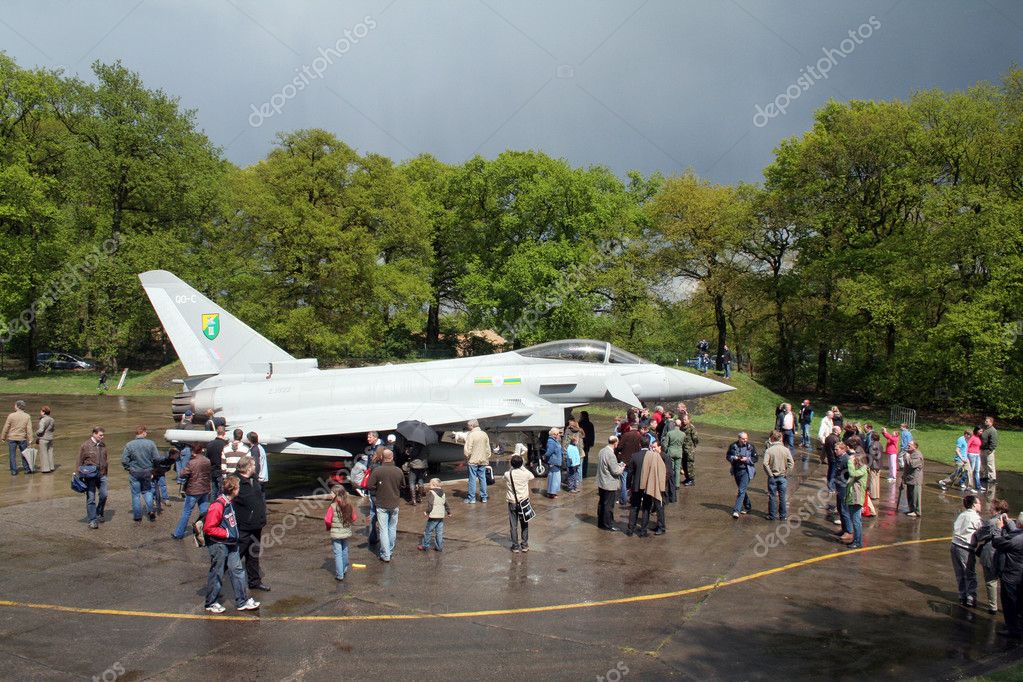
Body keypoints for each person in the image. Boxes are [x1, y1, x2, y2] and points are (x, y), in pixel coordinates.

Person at [202, 476, 260, 613]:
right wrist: (227, 533)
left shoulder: (229, 502)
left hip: (231, 543)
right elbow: (209, 528)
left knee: (238, 570)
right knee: (217, 573)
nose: (239, 489)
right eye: (238, 487)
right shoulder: (218, 506)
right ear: (233, 490)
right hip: (219, 545)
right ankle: (211, 602)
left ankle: (242, 601)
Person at [232, 456, 269, 592]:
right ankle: (218, 580)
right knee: (236, 556)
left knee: (253, 555)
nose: (255, 467)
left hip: (256, 526)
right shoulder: (235, 481)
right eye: (253, 465)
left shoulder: (254, 480)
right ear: (248, 467)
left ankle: (255, 581)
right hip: (244, 527)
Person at [366, 448, 403, 562]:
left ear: (382, 457)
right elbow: (402, 484)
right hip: (395, 503)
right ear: (392, 457)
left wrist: (379, 489)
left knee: (383, 530)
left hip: (382, 504)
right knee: (392, 528)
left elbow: (369, 485)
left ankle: (386, 554)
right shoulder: (398, 471)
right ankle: (390, 551)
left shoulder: (378, 471)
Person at [979, 499, 1014, 615]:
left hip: (991, 554)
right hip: (1006, 557)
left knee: (991, 581)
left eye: (992, 508)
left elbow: (980, 535)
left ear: (998, 510)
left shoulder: (992, 522)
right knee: (1005, 584)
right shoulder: (1011, 522)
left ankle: (993, 607)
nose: (989, 509)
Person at [992, 511, 1023, 638]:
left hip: (1011, 576)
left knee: (1010, 604)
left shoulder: (1016, 540)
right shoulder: (1018, 536)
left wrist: (998, 529)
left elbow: (997, 542)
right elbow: (1017, 532)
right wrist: (1009, 522)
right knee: (1019, 603)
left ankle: (1013, 629)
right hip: (1020, 575)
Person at [172, 443, 211, 540]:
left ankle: (178, 533)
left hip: (193, 490)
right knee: (204, 512)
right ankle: (207, 532)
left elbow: (182, 474)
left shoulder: (191, 462)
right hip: (205, 489)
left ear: (192, 451)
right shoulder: (207, 461)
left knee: (186, 512)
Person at [121, 425, 159, 523]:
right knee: (148, 491)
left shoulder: (129, 445)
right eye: (146, 432)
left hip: (134, 472)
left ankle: (138, 517)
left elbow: (124, 460)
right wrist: (154, 470)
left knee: (136, 495)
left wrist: (128, 468)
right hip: (147, 471)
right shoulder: (151, 443)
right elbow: (156, 458)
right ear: (143, 433)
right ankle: (150, 511)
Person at [950, 494, 983, 607]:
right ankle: (970, 597)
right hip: (965, 548)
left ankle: (962, 595)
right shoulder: (976, 518)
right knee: (969, 574)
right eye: (979, 503)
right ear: (974, 505)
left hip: (954, 545)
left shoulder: (962, 515)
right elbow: (981, 533)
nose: (980, 505)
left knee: (959, 573)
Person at [76, 427, 108, 529]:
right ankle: (92, 520)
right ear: (94, 434)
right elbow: (79, 461)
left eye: (103, 435)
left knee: (104, 495)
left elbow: (106, 459)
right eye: (100, 435)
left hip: (102, 475)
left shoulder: (103, 445)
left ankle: (99, 512)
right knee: (91, 498)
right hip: (90, 476)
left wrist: (106, 472)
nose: (102, 437)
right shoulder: (85, 445)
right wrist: (78, 476)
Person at [325, 485, 357, 580]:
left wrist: (328, 527)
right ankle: (344, 569)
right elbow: (354, 518)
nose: (330, 494)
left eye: (331, 493)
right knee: (345, 550)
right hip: (345, 532)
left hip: (336, 533)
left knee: (338, 553)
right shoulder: (349, 504)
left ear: (336, 494)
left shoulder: (332, 506)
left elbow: (327, 520)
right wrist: (347, 523)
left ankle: (340, 575)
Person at [505, 454, 534, 552]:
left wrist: (512, 468)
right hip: (523, 502)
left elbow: (505, 476)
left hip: (512, 502)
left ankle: (515, 546)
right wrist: (522, 467)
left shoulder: (508, 474)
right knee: (524, 523)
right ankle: (525, 545)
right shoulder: (525, 474)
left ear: (511, 464)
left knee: (513, 525)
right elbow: (532, 476)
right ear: (521, 464)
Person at [763, 431, 794, 521]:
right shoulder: (786, 450)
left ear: (773, 439)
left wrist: (770, 474)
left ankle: (772, 515)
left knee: (772, 496)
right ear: (781, 439)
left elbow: (765, 463)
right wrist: (786, 473)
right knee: (782, 496)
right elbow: (791, 463)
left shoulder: (769, 450)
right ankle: (783, 515)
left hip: (772, 476)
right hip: (782, 476)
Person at [727, 432, 758, 519]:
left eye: (746, 439)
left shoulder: (750, 447)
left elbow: (756, 458)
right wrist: (734, 458)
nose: (745, 440)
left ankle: (736, 511)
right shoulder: (733, 446)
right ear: (739, 438)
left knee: (741, 490)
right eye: (743, 439)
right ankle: (748, 506)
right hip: (737, 470)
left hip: (747, 471)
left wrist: (747, 459)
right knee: (742, 490)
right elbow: (728, 456)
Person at [596, 436, 624, 531]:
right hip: (609, 484)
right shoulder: (611, 454)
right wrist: (622, 468)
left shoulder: (602, 451)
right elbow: (616, 471)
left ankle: (601, 522)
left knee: (602, 503)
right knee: (609, 505)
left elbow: (605, 466)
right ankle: (608, 524)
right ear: (615, 443)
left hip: (602, 482)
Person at [463, 419, 491, 504]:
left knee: (472, 479)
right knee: (482, 478)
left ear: (472, 426)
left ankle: (472, 498)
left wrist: (467, 457)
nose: (468, 427)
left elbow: (467, 449)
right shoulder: (484, 434)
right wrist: (487, 457)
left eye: (468, 425)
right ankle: (484, 497)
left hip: (473, 460)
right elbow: (487, 448)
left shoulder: (471, 435)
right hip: (483, 460)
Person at [845, 449, 868, 549]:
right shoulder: (859, 469)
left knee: (856, 521)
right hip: (853, 497)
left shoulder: (863, 469)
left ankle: (858, 542)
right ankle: (855, 540)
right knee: (855, 520)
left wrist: (850, 461)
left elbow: (852, 473)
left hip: (857, 498)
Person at [418, 478, 450, 551]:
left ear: (434, 485)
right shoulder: (443, 493)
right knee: (439, 532)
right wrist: (449, 512)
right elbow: (446, 503)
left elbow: (430, 505)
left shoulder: (431, 493)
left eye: (430, 483)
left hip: (433, 516)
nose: (429, 485)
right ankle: (439, 547)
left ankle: (425, 546)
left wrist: (427, 512)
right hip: (441, 515)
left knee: (428, 531)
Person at [2, 400, 33, 475]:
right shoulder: (27, 416)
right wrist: (30, 438)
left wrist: (3, 436)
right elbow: (29, 428)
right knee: (24, 454)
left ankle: (13, 470)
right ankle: (26, 469)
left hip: (12, 438)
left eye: (15, 405)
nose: (14, 406)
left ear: (18, 406)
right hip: (22, 438)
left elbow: (6, 427)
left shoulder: (11, 415)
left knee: (12, 455)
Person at [616, 425, 644, 506]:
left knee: (623, 480)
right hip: (635, 460)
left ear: (631, 427)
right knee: (634, 479)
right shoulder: (640, 436)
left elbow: (619, 447)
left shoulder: (626, 435)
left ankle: (623, 499)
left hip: (625, 461)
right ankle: (633, 498)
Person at [833, 442, 853, 541]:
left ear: (843, 450)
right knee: (840, 508)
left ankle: (848, 531)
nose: (835, 451)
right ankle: (844, 528)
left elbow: (850, 475)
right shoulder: (839, 458)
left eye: (837, 449)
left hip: (844, 487)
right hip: (839, 486)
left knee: (844, 509)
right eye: (835, 449)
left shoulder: (846, 460)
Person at [205, 425, 230, 498]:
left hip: (212, 470)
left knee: (214, 491)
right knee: (222, 492)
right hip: (222, 471)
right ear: (224, 433)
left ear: (217, 433)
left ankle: (213, 507)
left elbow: (207, 457)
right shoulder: (226, 445)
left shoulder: (210, 444)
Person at [902, 441, 924, 517]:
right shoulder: (910, 453)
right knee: (910, 495)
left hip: (915, 479)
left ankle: (917, 511)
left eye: (909, 445)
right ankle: (911, 509)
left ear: (915, 446)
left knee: (915, 496)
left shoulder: (918, 455)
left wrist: (907, 457)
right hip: (909, 478)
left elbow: (912, 464)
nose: (908, 446)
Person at [662, 419, 685, 489]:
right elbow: (683, 444)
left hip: (671, 452)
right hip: (679, 452)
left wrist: (665, 451)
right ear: (680, 425)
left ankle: (670, 483)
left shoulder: (670, 433)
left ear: (674, 424)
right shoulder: (683, 434)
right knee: (677, 469)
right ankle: (677, 485)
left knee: (671, 468)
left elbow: (665, 444)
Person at [405, 441, 429, 505]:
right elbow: (428, 454)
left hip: (414, 466)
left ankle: (413, 500)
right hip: (423, 466)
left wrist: (408, 452)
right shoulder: (425, 447)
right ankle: (420, 498)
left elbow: (412, 455)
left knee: (412, 482)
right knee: (420, 481)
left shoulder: (415, 447)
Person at [544, 428, 564, 499]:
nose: (559, 435)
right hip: (553, 462)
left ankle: (552, 492)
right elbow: (549, 451)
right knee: (554, 478)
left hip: (556, 462)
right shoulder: (551, 441)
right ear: (554, 434)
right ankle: (551, 493)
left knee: (555, 478)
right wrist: (545, 456)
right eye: (558, 433)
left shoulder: (555, 440)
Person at [864, 424, 882, 500]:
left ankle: (873, 494)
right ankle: (877, 494)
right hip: (879, 464)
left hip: (874, 465)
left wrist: (868, 465)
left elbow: (871, 456)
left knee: (872, 480)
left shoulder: (872, 445)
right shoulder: (880, 444)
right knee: (877, 480)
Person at [35, 406, 55, 473]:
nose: (40, 412)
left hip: (43, 438)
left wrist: (36, 433)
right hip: (50, 438)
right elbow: (53, 429)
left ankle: (46, 469)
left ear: (43, 412)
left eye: (41, 411)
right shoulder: (52, 419)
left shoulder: (43, 420)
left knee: (44, 454)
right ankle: (51, 467)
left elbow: (41, 430)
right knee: (50, 453)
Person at [981, 417, 999, 485]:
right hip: (983, 449)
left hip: (988, 450)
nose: (985, 422)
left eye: (987, 421)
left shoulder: (993, 430)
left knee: (990, 464)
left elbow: (994, 441)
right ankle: (985, 476)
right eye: (985, 421)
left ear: (991, 422)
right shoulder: (985, 429)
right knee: (984, 464)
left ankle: (992, 478)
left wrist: (991, 449)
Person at [579, 410, 595, 478]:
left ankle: (580, 473)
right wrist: (591, 443)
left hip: (581, 443)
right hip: (587, 443)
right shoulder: (590, 424)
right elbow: (592, 435)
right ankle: (584, 473)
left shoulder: (580, 423)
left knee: (580, 458)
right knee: (585, 458)